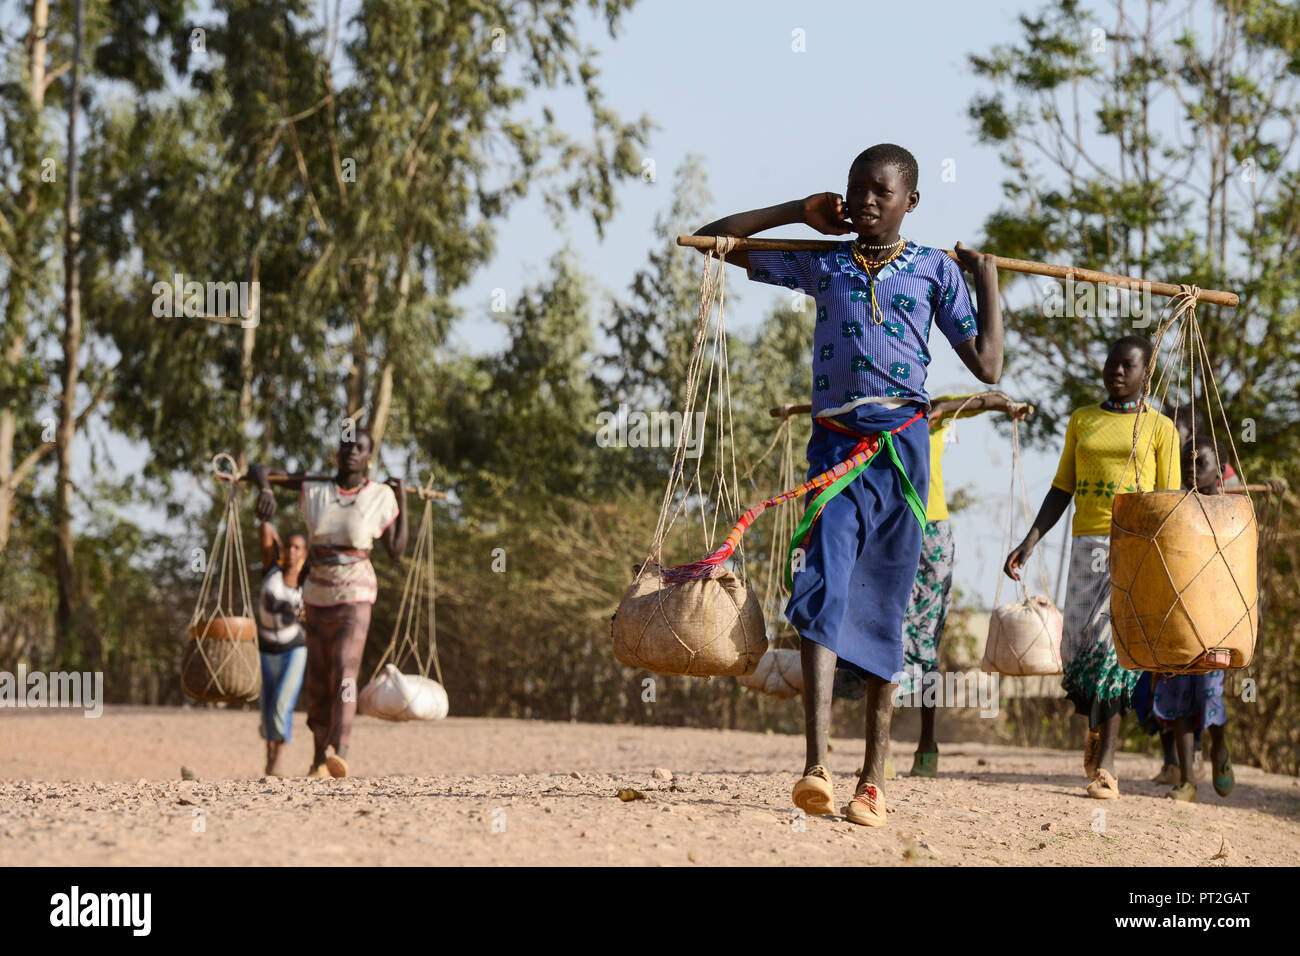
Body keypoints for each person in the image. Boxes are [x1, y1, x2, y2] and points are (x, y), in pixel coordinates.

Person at [694, 142, 1004, 826]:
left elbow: (986, 364)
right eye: (855, 189)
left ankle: (872, 779)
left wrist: (985, 279)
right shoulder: (823, 262)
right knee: (821, 591)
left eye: (881, 191)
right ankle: (815, 765)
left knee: (884, 603)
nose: (866, 200)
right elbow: (712, 241)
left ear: (910, 202)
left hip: (900, 449)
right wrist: (796, 213)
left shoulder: (932, 272)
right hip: (833, 443)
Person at [1004, 335, 1180, 800]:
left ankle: (1106, 769)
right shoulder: (1083, 420)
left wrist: (1166, 568)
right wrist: (1029, 542)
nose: (1117, 372)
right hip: (1085, 548)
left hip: (1135, 548)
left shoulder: (1161, 429)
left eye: (1128, 366)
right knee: (1078, 652)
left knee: (1111, 652)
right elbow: (1062, 488)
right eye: (1111, 364)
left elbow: (1170, 503)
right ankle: (1097, 728)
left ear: (1147, 373)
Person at [248, 427, 407, 778]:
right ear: (337, 453)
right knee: (319, 677)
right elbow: (260, 469)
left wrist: (403, 498)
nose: (352, 452)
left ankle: (342, 750)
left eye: (360, 448)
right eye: (346, 446)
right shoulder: (315, 489)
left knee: (345, 670)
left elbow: (396, 552)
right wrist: (263, 488)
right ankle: (320, 756)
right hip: (316, 595)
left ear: (369, 457)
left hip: (356, 593)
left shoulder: (379, 496)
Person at [899, 391, 1032, 777]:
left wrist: (1006, 405)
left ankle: (927, 741)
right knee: (885, 633)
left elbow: (979, 400)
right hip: (888, 529)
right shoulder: (876, 413)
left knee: (925, 637)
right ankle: (881, 746)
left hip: (933, 534)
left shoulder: (931, 412)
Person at [1134, 434, 1233, 801]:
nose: (1191, 469)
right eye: (1186, 462)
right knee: (1176, 698)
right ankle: (1187, 780)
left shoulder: (1229, 512)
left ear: (1219, 471)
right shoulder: (1172, 508)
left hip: (1215, 622)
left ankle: (1220, 747)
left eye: (1200, 463)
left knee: (1209, 694)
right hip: (1176, 617)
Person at [254, 520, 308, 777]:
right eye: (289, 546)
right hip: (264, 649)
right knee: (266, 705)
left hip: (293, 650)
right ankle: (268, 750)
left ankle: (278, 757)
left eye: (298, 547)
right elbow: (265, 527)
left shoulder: (305, 583)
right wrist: (279, 546)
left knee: (282, 703)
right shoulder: (271, 571)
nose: (293, 551)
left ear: (305, 554)